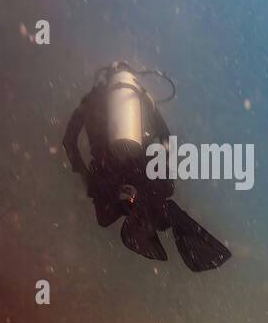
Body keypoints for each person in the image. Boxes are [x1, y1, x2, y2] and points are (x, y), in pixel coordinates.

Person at [62, 61, 231, 271]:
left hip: (107, 168)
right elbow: (166, 137)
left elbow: (69, 141)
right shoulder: (140, 96)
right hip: (140, 164)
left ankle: (132, 202)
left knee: (105, 217)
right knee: (157, 206)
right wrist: (160, 171)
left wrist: (87, 179)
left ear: (105, 78)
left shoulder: (89, 100)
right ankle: (153, 208)